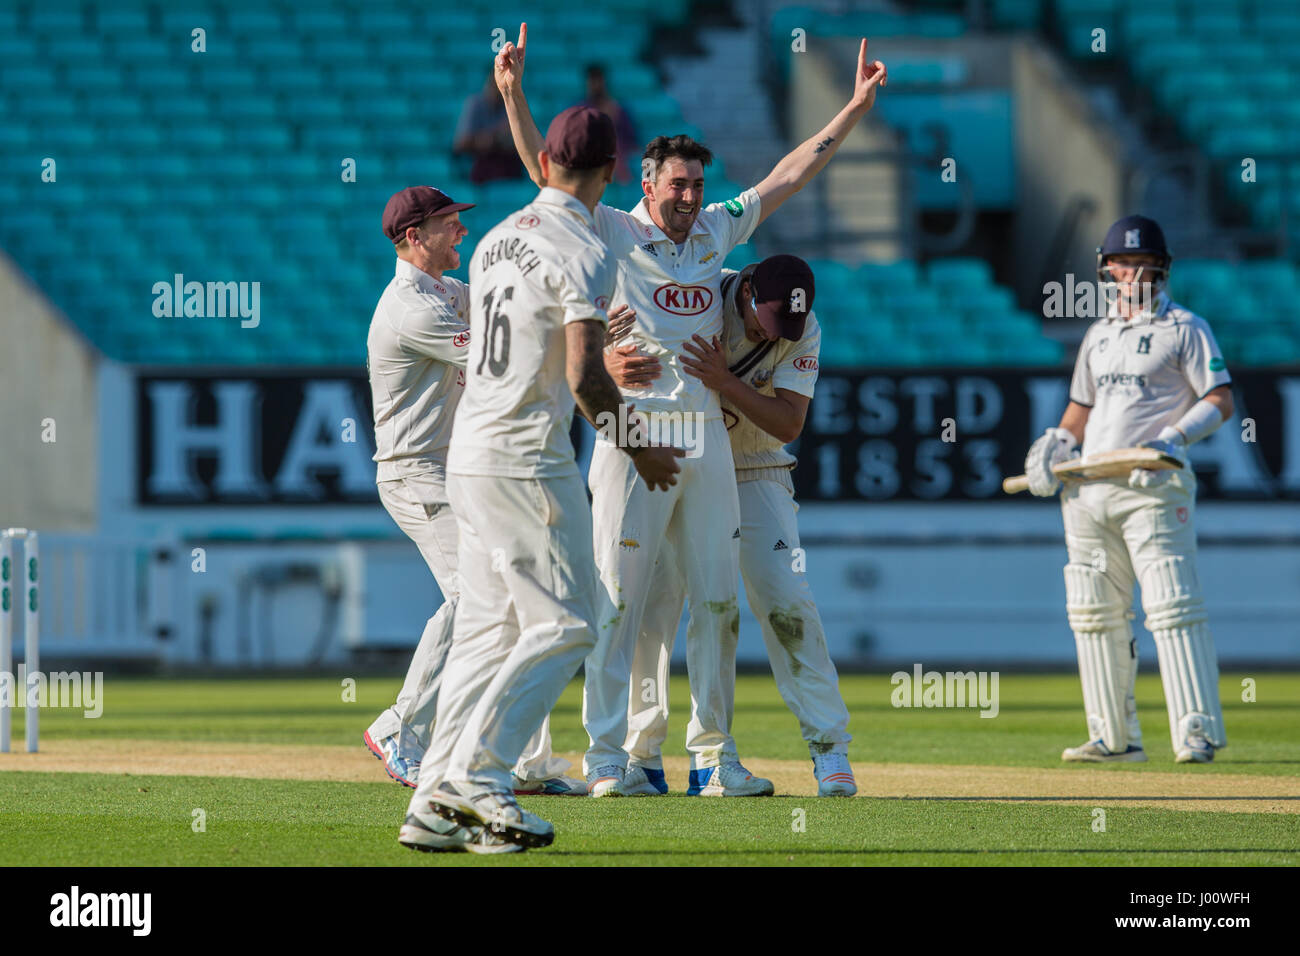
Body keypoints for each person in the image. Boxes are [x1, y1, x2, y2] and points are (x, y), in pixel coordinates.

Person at [493, 23, 886, 797]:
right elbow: (548, 169)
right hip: (629, 430)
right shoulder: (610, 227)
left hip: (703, 433)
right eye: (677, 185)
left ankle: (714, 757)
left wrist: (853, 111)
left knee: (717, 600)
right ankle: (608, 759)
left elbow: (790, 175)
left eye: (697, 185)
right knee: (618, 598)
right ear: (644, 184)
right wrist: (512, 95)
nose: (690, 197)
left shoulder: (718, 228)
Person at [399, 107, 683, 854]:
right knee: (571, 623)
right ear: (614, 170)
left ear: (547, 163)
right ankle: (481, 780)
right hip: (527, 456)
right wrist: (641, 446)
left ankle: (432, 801)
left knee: (489, 635)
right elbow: (587, 375)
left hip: (470, 455)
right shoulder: (585, 251)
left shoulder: (495, 238)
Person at [606, 255, 858, 796]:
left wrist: (723, 381)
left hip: (757, 469)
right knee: (656, 609)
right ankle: (641, 755)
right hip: (677, 459)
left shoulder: (802, 325)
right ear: (744, 291)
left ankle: (828, 749)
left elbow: (789, 422)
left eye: (785, 324)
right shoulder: (696, 294)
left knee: (787, 599)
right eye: (767, 318)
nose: (775, 333)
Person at [364, 185, 583, 798]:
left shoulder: (445, 292)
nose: (460, 232)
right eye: (448, 224)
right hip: (416, 472)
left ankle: (515, 760)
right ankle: (399, 728)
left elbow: (512, 306)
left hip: (454, 469)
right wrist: (583, 340)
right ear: (413, 237)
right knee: (474, 600)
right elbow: (500, 356)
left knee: (514, 602)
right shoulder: (413, 308)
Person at [1024, 214, 1232, 765]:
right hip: (1092, 489)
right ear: (1107, 268)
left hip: (1153, 485)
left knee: (1172, 604)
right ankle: (1114, 738)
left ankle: (1197, 733)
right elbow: (1081, 411)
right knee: (1094, 613)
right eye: (1123, 263)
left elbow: (1219, 400)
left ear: (1160, 268)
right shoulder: (1098, 333)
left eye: (1143, 263)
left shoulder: (1186, 327)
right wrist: (1055, 444)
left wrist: (1174, 436)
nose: (1132, 272)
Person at [453, 71, 524, 183]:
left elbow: (521, 143)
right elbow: (460, 143)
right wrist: (491, 137)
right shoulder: (475, 105)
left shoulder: (512, 105)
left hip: (507, 164)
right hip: (481, 164)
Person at [582, 64, 637, 183]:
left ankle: (622, 183)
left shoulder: (618, 108)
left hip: (618, 153)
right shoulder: (580, 109)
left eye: (599, 80)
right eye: (593, 80)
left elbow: (631, 137)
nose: (596, 84)